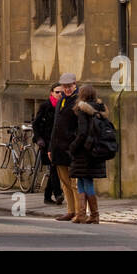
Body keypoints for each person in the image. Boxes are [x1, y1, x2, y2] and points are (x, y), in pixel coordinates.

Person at [69, 85, 108, 224]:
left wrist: (73, 147)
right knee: (84, 180)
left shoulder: (82, 109)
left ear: (82, 95)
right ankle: (89, 215)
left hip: (84, 152)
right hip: (97, 150)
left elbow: (82, 132)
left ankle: (86, 215)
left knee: (84, 181)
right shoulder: (100, 109)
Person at [49, 73, 80, 221]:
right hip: (59, 147)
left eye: (69, 86)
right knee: (65, 182)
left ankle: (80, 212)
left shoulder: (79, 100)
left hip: (71, 147)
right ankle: (70, 210)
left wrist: (75, 144)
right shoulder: (61, 100)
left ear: (75, 84)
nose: (67, 89)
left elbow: (80, 127)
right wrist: (50, 147)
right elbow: (55, 126)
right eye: (64, 87)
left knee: (75, 182)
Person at [32, 84, 64, 206]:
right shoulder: (45, 106)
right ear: (51, 93)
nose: (60, 94)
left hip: (58, 142)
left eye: (62, 92)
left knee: (54, 168)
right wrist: (39, 139)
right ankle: (58, 194)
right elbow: (36, 124)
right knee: (54, 167)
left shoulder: (63, 106)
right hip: (46, 142)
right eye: (57, 92)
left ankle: (47, 196)